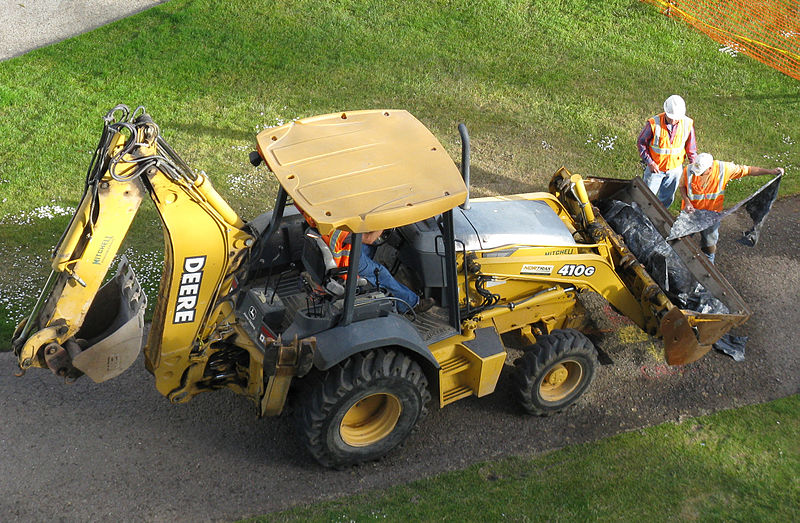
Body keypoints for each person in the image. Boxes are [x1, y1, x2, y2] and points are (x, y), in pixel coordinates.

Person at [678, 152, 784, 263]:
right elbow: (682, 186)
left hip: (711, 216)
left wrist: (770, 172)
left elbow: (748, 170)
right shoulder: (688, 170)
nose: (697, 175)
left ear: (710, 169)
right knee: (680, 241)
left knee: (709, 245)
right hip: (691, 215)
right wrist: (687, 202)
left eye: (701, 173)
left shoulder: (724, 169)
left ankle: (709, 264)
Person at [324, 228, 435, 314]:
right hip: (348, 261)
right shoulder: (341, 231)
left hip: (341, 250)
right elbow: (369, 239)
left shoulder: (328, 219)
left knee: (370, 248)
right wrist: (383, 222)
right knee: (381, 273)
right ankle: (412, 304)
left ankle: (362, 287)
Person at [637, 95, 697, 208]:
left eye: (676, 118)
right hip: (655, 169)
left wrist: (693, 166)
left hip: (674, 170)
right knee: (645, 198)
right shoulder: (654, 124)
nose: (673, 120)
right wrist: (650, 162)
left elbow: (691, 148)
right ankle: (640, 216)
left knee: (667, 199)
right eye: (671, 117)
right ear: (666, 112)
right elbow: (641, 143)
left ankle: (659, 219)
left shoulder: (687, 124)